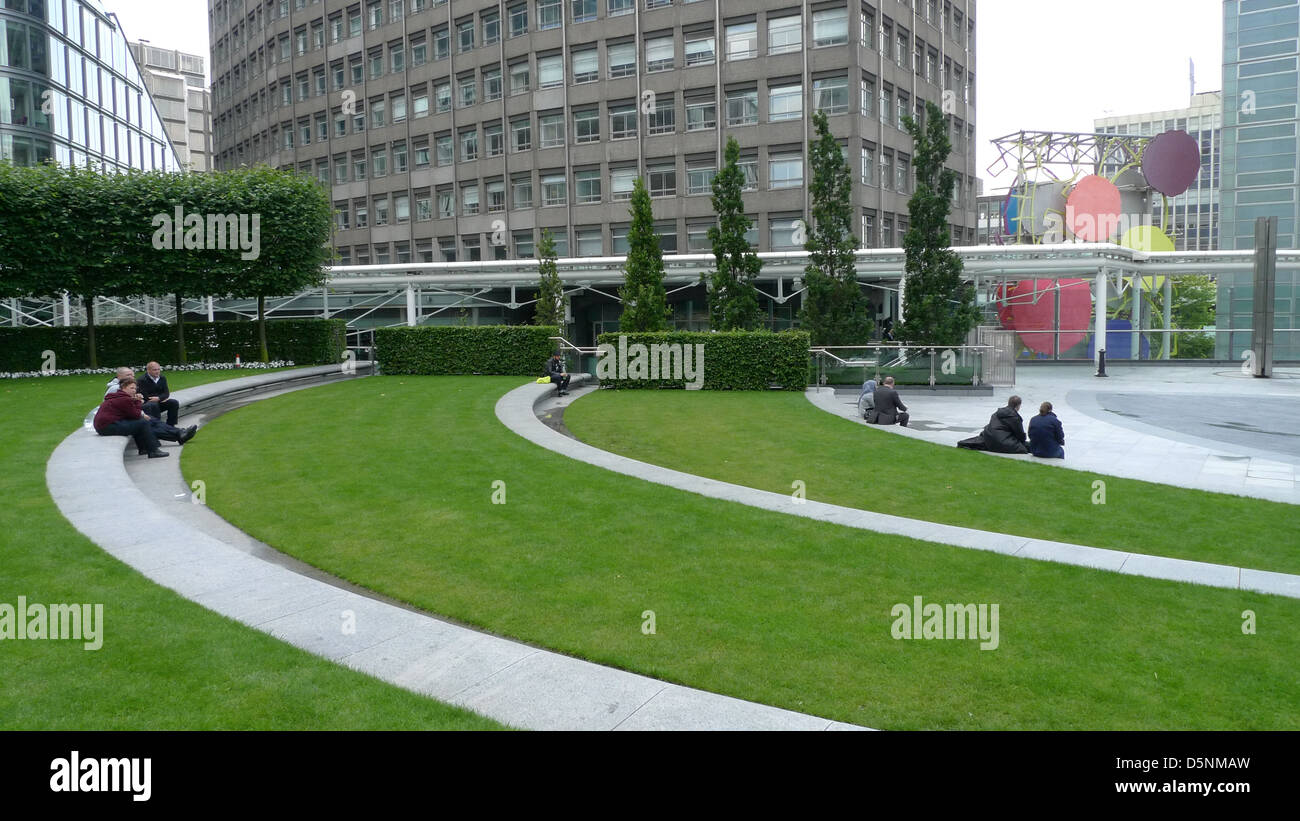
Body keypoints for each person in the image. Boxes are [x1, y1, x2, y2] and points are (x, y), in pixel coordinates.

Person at [96, 367, 196, 445]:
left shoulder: (126, 385)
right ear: (119, 376)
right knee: (146, 421)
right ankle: (178, 435)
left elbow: (132, 402)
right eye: (128, 375)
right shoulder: (115, 388)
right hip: (117, 419)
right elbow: (116, 405)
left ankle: (179, 433)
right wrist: (141, 410)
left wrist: (139, 403)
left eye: (132, 375)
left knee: (151, 419)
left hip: (124, 414)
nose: (132, 377)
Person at [93, 378, 168, 458]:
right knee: (143, 422)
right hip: (107, 427)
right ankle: (153, 450)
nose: (134, 391)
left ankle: (144, 449)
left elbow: (132, 414)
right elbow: (135, 414)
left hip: (102, 426)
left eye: (135, 388)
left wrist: (135, 402)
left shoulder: (118, 396)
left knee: (138, 422)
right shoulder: (124, 399)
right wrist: (138, 401)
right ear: (123, 388)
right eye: (131, 388)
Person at [958, 396, 1029, 454]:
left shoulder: (997, 413)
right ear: (1018, 406)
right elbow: (1020, 435)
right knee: (1024, 447)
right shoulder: (1015, 417)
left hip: (989, 437)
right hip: (1001, 441)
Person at [138, 361, 180, 426]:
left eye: (158, 369)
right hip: (149, 405)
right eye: (154, 370)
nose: (157, 371)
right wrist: (159, 398)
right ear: (148, 370)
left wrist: (159, 398)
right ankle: (159, 426)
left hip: (159, 401)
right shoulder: (142, 380)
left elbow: (166, 393)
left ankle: (171, 425)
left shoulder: (162, 378)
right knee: (153, 404)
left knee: (174, 402)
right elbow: (144, 396)